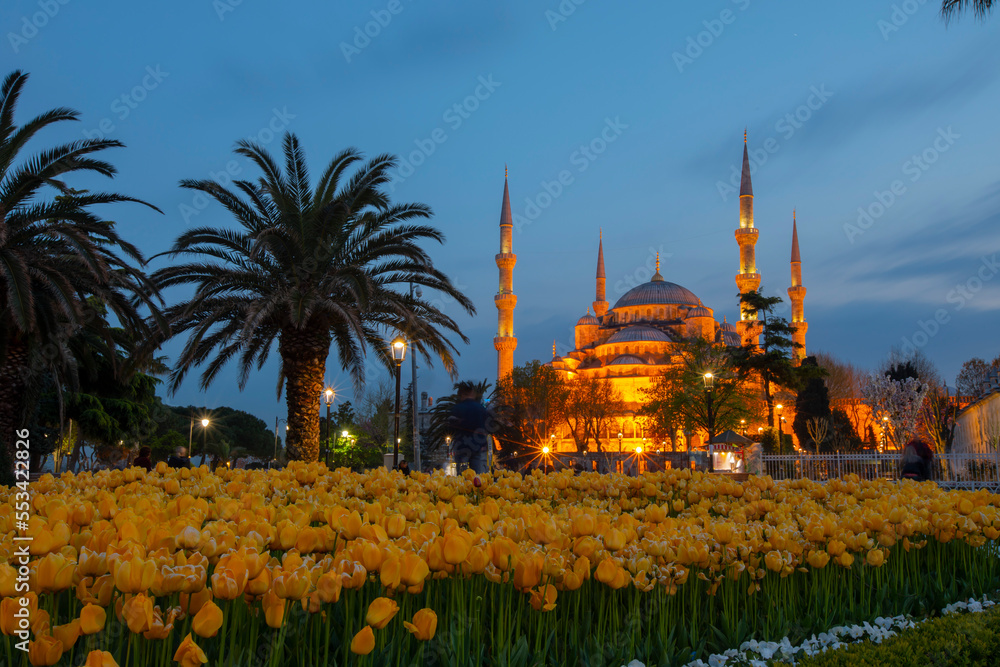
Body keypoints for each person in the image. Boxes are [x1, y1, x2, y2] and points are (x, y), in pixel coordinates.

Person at [448, 381, 491, 474]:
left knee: (462, 476)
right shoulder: (481, 409)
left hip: (462, 446)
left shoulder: (458, 408)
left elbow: (451, 427)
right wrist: (483, 443)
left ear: (462, 394)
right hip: (477, 446)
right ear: (472, 394)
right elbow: (487, 427)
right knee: (476, 474)